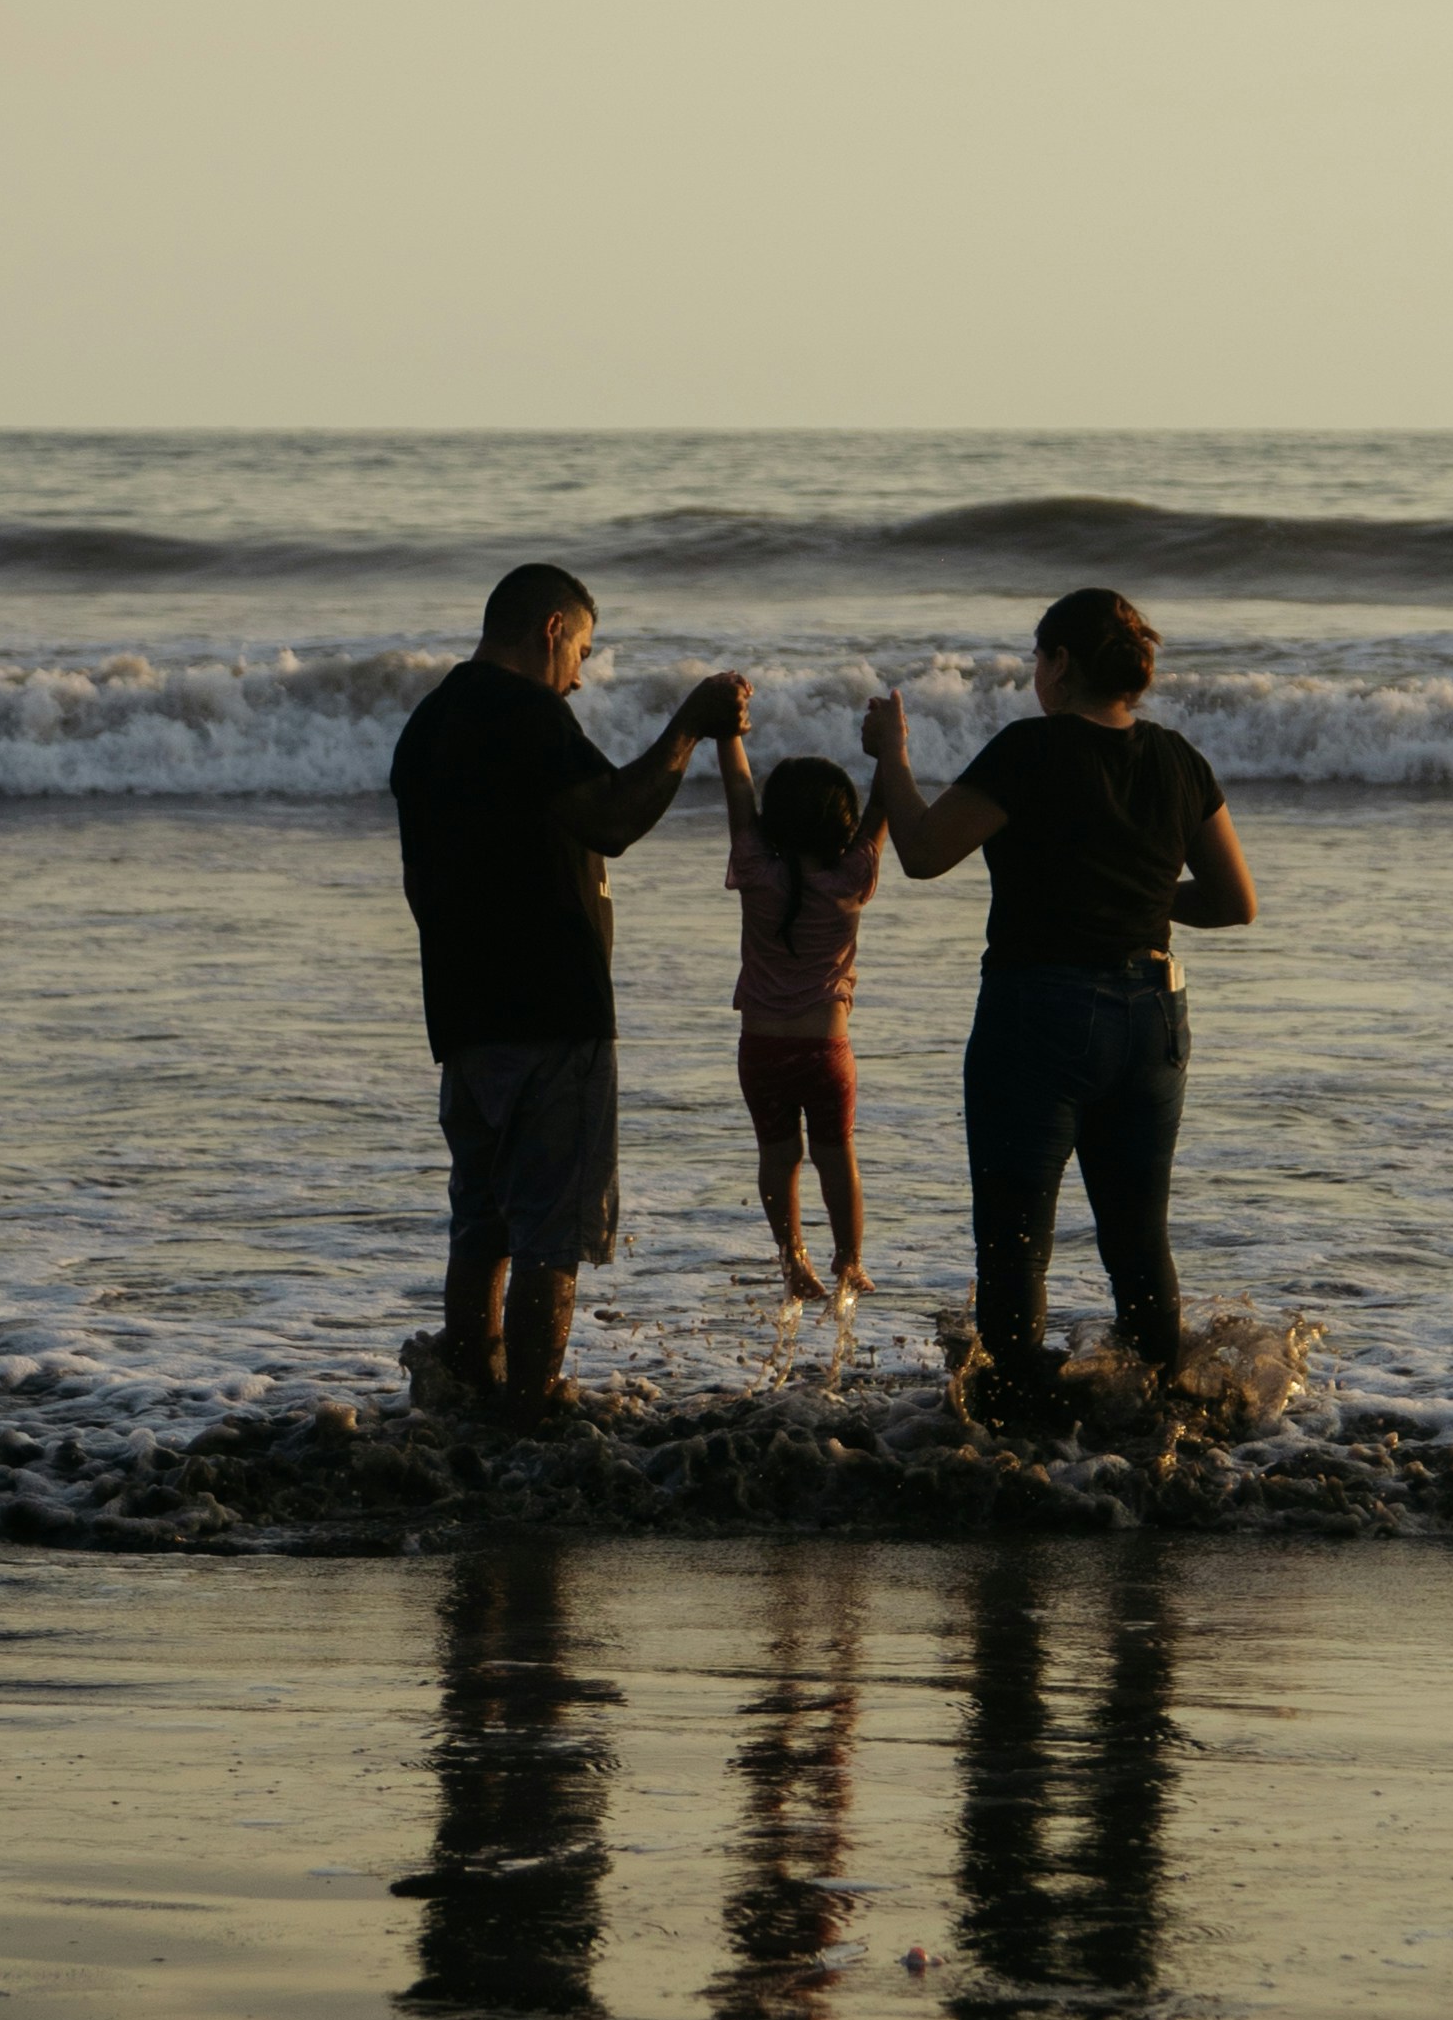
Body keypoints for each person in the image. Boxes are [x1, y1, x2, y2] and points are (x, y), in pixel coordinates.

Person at [857, 582, 1257, 1427]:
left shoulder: (1029, 750)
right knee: (1138, 1239)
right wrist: (1139, 895)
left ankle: (1011, 1431)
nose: (1034, 674)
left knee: (1014, 1238)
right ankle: (1161, 1423)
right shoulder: (1179, 759)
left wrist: (890, 754)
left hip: (1038, 1007)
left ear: (1062, 663)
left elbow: (925, 852)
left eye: (1038, 658)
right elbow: (1233, 901)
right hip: (1153, 1016)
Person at [389, 563, 744, 1417]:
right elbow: (614, 817)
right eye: (581, 649)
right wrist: (690, 727)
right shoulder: (526, 713)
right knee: (550, 1239)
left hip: (464, 1021)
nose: (581, 672)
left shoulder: (428, 722)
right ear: (551, 629)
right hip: (551, 1013)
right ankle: (530, 1420)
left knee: (481, 1228)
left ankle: (465, 1402)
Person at [713, 724, 883, 1306]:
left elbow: (739, 792)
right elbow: (882, 808)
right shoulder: (850, 879)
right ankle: (851, 1261)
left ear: (773, 822)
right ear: (844, 826)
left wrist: (728, 731)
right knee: (836, 1153)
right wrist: (891, 747)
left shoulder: (757, 872)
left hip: (760, 1050)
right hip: (825, 1051)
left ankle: (794, 1262)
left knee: (778, 1156)